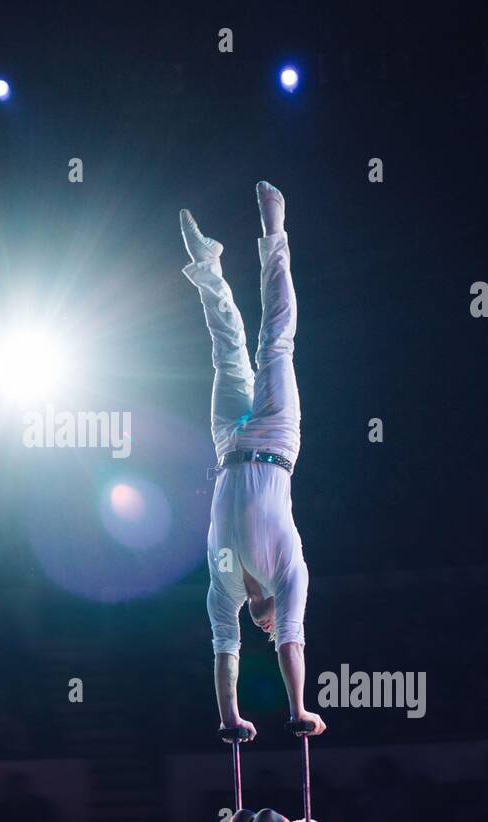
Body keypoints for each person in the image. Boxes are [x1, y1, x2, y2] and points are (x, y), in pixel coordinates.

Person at [180, 182, 326, 743]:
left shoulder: (224, 588)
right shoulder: (291, 575)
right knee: (276, 344)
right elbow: (293, 640)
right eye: (269, 626)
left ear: (253, 617)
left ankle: (207, 263)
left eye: (260, 627)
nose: (268, 629)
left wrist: (230, 718)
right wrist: (298, 711)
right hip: (276, 443)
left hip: (228, 442)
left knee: (225, 346)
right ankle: (274, 232)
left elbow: (223, 653)